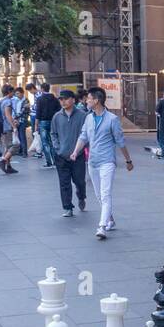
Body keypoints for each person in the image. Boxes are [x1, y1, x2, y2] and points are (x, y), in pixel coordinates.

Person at [71, 86, 133, 239]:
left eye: (89, 99)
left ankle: (102, 226)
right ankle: (110, 219)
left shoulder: (112, 119)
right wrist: (75, 151)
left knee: (105, 194)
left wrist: (128, 160)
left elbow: (120, 141)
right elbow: (83, 136)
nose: (87, 101)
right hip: (92, 161)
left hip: (107, 162)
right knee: (99, 195)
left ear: (97, 101)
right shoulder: (89, 118)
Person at [50, 89, 88, 217]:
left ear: (73, 99)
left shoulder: (82, 115)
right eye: (61, 99)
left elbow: (87, 134)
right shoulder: (57, 116)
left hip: (78, 156)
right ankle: (67, 207)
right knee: (64, 183)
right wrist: (57, 148)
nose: (63, 101)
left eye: (65, 99)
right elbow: (53, 134)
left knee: (79, 181)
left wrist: (82, 150)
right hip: (61, 156)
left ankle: (81, 196)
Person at [34, 83, 60, 168]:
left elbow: (38, 112)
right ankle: (55, 161)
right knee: (53, 141)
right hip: (53, 121)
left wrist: (36, 125)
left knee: (45, 142)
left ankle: (49, 161)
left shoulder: (40, 99)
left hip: (43, 122)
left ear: (42, 89)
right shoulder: (55, 99)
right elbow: (58, 110)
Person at [13, 86, 29, 157]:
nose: (17, 95)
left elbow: (23, 111)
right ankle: (20, 151)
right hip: (17, 121)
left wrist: (15, 117)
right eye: (16, 93)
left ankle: (24, 152)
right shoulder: (16, 100)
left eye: (18, 93)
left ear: (22, 93)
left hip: (22, 120)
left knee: (22, 136)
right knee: (18, 136)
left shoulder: (26, 100)